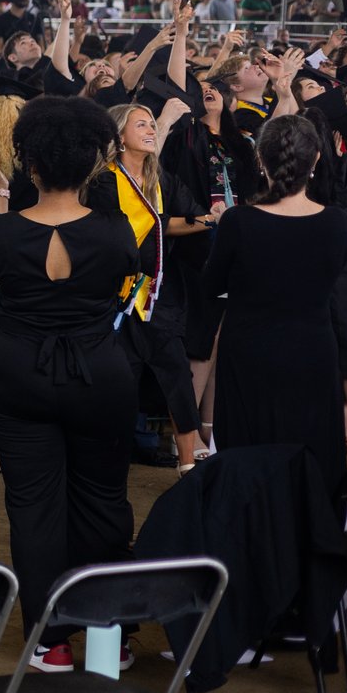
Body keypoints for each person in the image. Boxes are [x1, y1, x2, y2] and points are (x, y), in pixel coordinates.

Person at [0, 98, 138, 674]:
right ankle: (108, 631)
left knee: (34, 509)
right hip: (99, 375)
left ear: (30, 167)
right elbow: (125, 266)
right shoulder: (115, 231)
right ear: (92, 163)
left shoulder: (3, 231)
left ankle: (50, 641)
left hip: (19, 374)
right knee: (103, 502)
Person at [204, 114, 347, 475]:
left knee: (249, 465)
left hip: (251, 355)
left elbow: (210, 286)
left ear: (260, 159)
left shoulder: (239, 221)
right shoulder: (337, 222)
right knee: (311, 460)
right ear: (316, 158)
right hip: (313, 352)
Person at [91, 99, 214, 470]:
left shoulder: (160, 177)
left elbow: (169, 220)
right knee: (117, 381)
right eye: (141, 124)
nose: (150, 130)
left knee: (177, 375)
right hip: (117, 298)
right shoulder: (102, 181)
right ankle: (106, 460)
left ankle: (188, 463)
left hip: (160, 293)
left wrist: (208, 220)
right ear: (120, 136)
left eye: (152, 125)